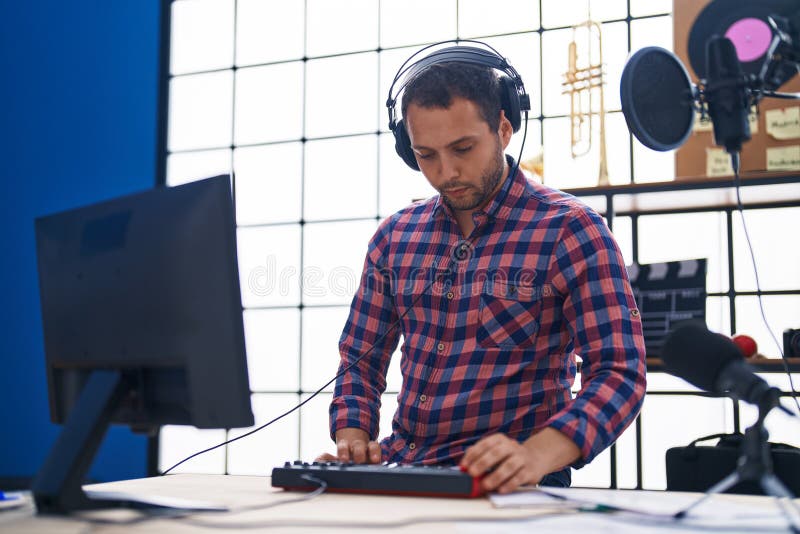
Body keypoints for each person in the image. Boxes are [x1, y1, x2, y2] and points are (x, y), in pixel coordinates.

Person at [317, 48, 646, 494]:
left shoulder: (571, 230)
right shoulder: (394, 238)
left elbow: (619, 373)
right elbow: (360, 359)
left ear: (504, 129)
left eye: (463, 149)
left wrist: (536, 455)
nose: (446, 172)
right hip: (403, 467)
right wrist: (353, 438)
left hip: (517, 482)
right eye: (425, 155)